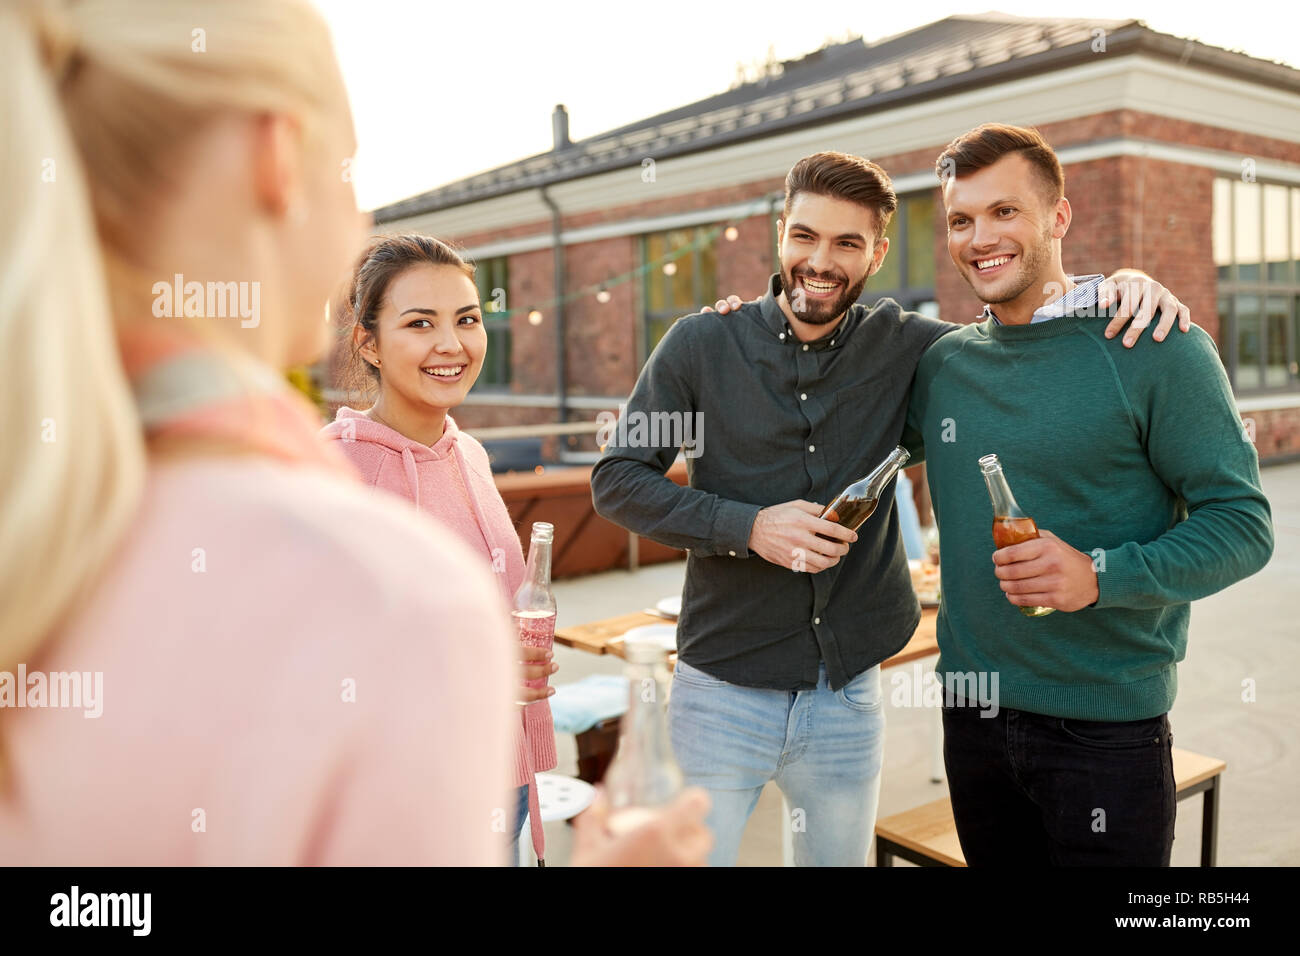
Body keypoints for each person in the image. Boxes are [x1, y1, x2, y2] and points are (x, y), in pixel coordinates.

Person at [0, 0, 708, 867]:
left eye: (465, 320)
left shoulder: (53, 518)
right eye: (351, 168)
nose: (450, 344)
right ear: (279, 156)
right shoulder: (381, 585)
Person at [591, 149, 1186, 866]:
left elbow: (1021, 340)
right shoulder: (700, 344)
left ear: (877, 253)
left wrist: (1118, 287)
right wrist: (748, 527)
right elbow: (617, 478)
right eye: (805, 236)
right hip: (719, 693)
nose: (821, 259)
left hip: (847, 697)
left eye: (847, 242)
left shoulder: (917, 349)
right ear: (780, 233)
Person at [898, 123, 1273, 865]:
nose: (980, 237)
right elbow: (822, 387)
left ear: (1058, 219)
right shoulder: (942, 365)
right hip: (971, 715)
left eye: (1005, 212)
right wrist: (740, 323)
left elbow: (1243, 525)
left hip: (1105, 732)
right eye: (962, 220)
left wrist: (1098, 576)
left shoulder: (1156, 345)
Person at [321, 234, 558, 866]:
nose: (451, 344)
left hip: (500, 777)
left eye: (468, 320)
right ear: (367, 343)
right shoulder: (330, 470)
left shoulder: (471, 455)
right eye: (420, 323)